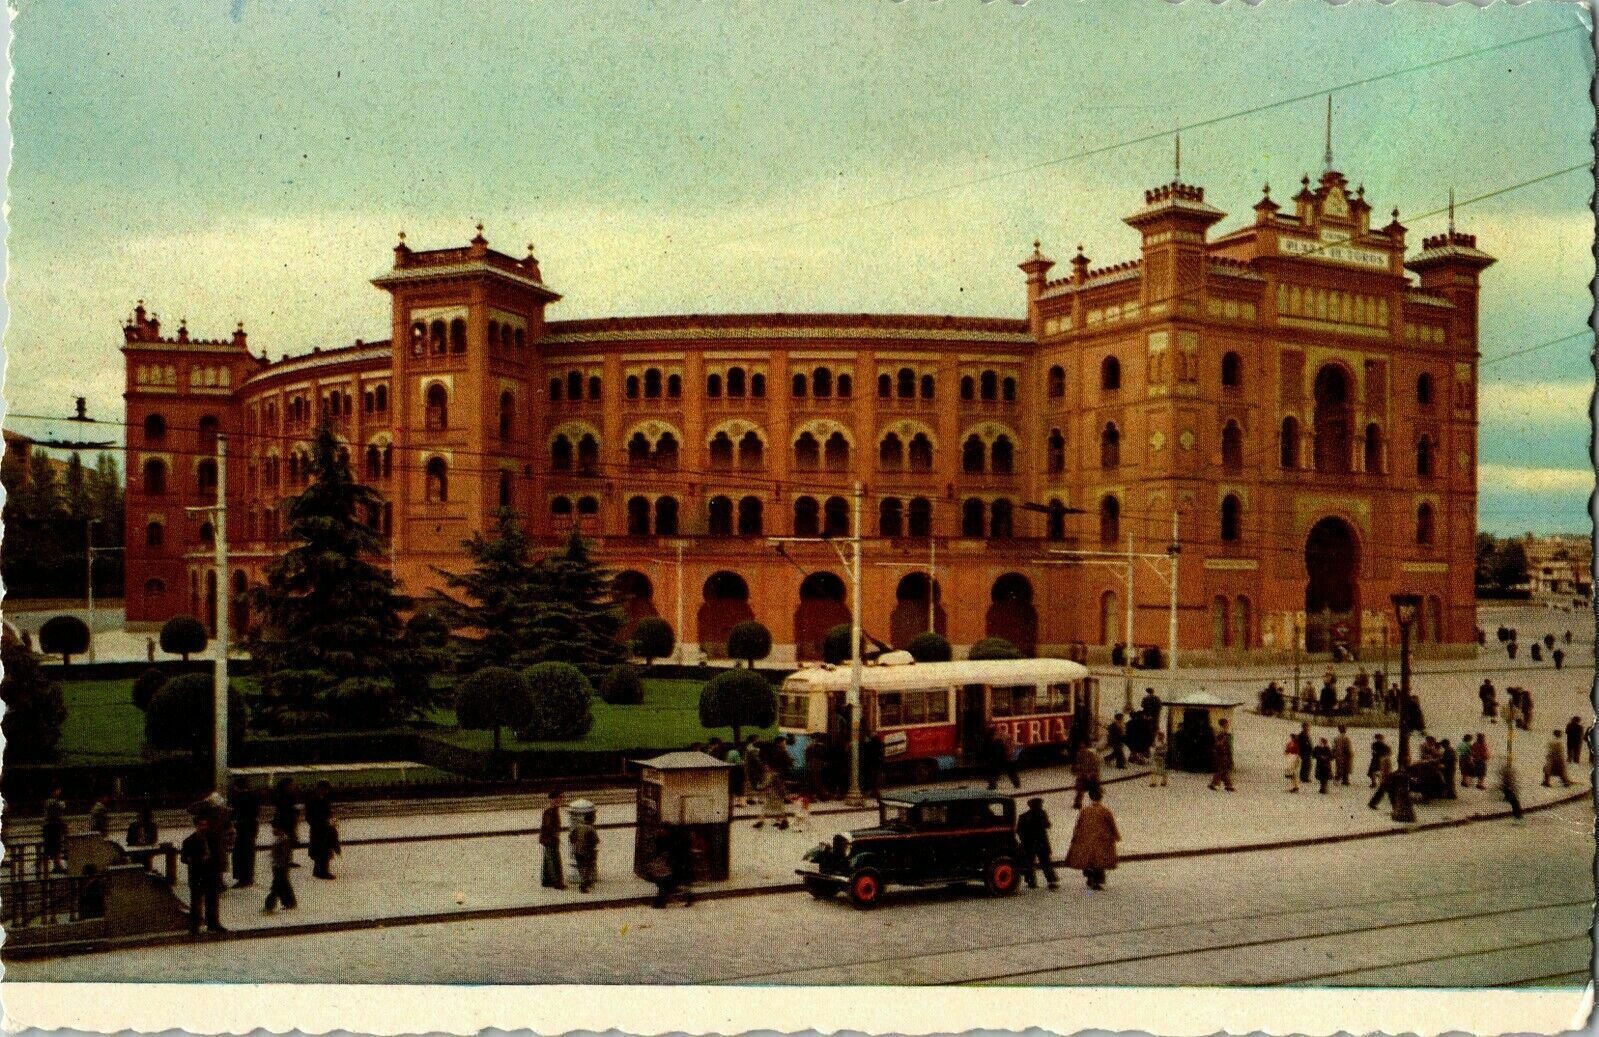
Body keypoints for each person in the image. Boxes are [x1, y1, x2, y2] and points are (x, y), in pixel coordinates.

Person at [1064, 785, 1120, 890]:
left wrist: (1076, 836)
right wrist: (1116, 835)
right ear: (1100, 798)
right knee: (1099, 861)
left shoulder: (1085, 810)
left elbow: (1079, 825)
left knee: (1088, 859)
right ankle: (1097, 881)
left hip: (1086, 839)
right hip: (1101, 839)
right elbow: (1111, 824)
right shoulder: (1105, 811)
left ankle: (1090, 875)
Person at [180, 817, 224, 935]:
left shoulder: (213, 840)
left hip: (211, 874)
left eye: (205, 825)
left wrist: (219, 871)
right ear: (196, 826)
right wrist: (197, 859)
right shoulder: (189, 841)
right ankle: (195, 926)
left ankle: (213, 924)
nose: (204, 827)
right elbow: (184, 858)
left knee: (212, 900)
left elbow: (219, 856)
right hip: (197, 874)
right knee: (196, 902)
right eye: (201, 825)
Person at [1016, 797, 1059, 891]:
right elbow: (1047, 825)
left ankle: (1031, 881)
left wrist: (1023, 840)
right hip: (1041, 843)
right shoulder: (1041, 814)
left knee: (1029, 863)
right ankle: (1051, 881)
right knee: (1045, 863)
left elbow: (1018, 830)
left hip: (1029, 844)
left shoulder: (1023, 816)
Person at [649, 828, 695, 909]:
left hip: (668, 867)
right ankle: (660, 902)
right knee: (666, 885)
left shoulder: (668, 842)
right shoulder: (665, 841)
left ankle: (659, 902)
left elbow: (670, 854)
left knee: (666, 885)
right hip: (667, 867)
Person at [229, 777, 261, 889]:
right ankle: (247, 877)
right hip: (250, 827)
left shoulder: (242, 797)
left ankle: (244, 878)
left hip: (244, 828)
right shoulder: (252, 796)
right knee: (247, 853)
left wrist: (236, 821)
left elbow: (238, 813)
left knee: (242, 854)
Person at [305, 780, 339, 880]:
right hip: (319, 828)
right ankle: (323, 871)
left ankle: (319, 870)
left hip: (324, 828)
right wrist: (322, 822)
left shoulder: (322, 799)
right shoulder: (314, 800)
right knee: (322, 850)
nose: (326, 791)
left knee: (324, 849)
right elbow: (311, 816)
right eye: (325, 789)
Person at [262, 821, 299, 913]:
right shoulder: (280, 839)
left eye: (275, 828)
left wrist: (279, 863)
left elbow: (285, 855)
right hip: (278, 866)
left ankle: (270, 905)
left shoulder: (283, 840)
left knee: (277, 886)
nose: (273, 831)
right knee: (284, 885)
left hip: (280, 867)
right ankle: (289, 902)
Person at [567, 801, 599, 894]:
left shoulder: (577, 827)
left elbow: (571, 836)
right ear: (592, 820)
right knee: (588, 867)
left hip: (577, 851)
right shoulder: (591, 829)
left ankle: (584, 881)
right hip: (587, 852)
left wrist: (575, 844)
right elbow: (596, 840)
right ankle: (584, 884)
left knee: (580, 867)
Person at [539, 791, 566, 889]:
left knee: (547, 858)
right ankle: (557, 882)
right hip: (550, 838)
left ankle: (546, 880)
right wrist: (553, 836)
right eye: (560, 797)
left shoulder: (552, 809)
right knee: (554, 860)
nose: (561, 799)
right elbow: (548, 826)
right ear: (554, 799)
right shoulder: (551, 810)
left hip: (548, 838)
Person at [987, 724, 1021, 790]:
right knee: (1010, 771)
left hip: (1002, 757)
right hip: (1006, 757)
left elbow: (997, 750)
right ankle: (1017, 783)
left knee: (995, 772)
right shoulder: (1004, 735)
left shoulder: (997, 738)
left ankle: (992, 785)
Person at [41, 788, 67, 874]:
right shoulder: (52, 802)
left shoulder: (49, 802)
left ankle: (57, 866)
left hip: (51, 827)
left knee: (54, 849)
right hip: (52, 827)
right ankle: (53, 867)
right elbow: (57, 813)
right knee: (52, 848)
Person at [271, 778, 300, 848]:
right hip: (285, 825)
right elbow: (281, 812)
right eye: (291, 785)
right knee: (285, 845)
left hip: (288, 824)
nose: (293, 786)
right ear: (286, 786)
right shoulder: (284, 798)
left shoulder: (288, 797)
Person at [1073, 740, 1102, 808]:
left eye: (1083, 747)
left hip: (1092, 776)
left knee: (1094, 789)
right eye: (1080, 747)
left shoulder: (1092, 754)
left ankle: (1096, 802)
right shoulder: (1079, 754)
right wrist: (1079, 771)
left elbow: (1096, 766)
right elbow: (1078, 766)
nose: (1081, 749)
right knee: (1080, 787)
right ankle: (1078, 802)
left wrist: (1091, 774)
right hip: (1083, 776)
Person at [1208, 718, 1235, 791]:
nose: (1228, 725)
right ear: (1223, 725)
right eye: (1226, 724)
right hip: (1221, 755)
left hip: (1224, 754)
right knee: (1221, 770)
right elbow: (1219, 744)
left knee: (1224, 770)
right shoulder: (1221, 733)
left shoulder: (1224, 733)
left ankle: (1228, 785)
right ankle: (1215, 784)